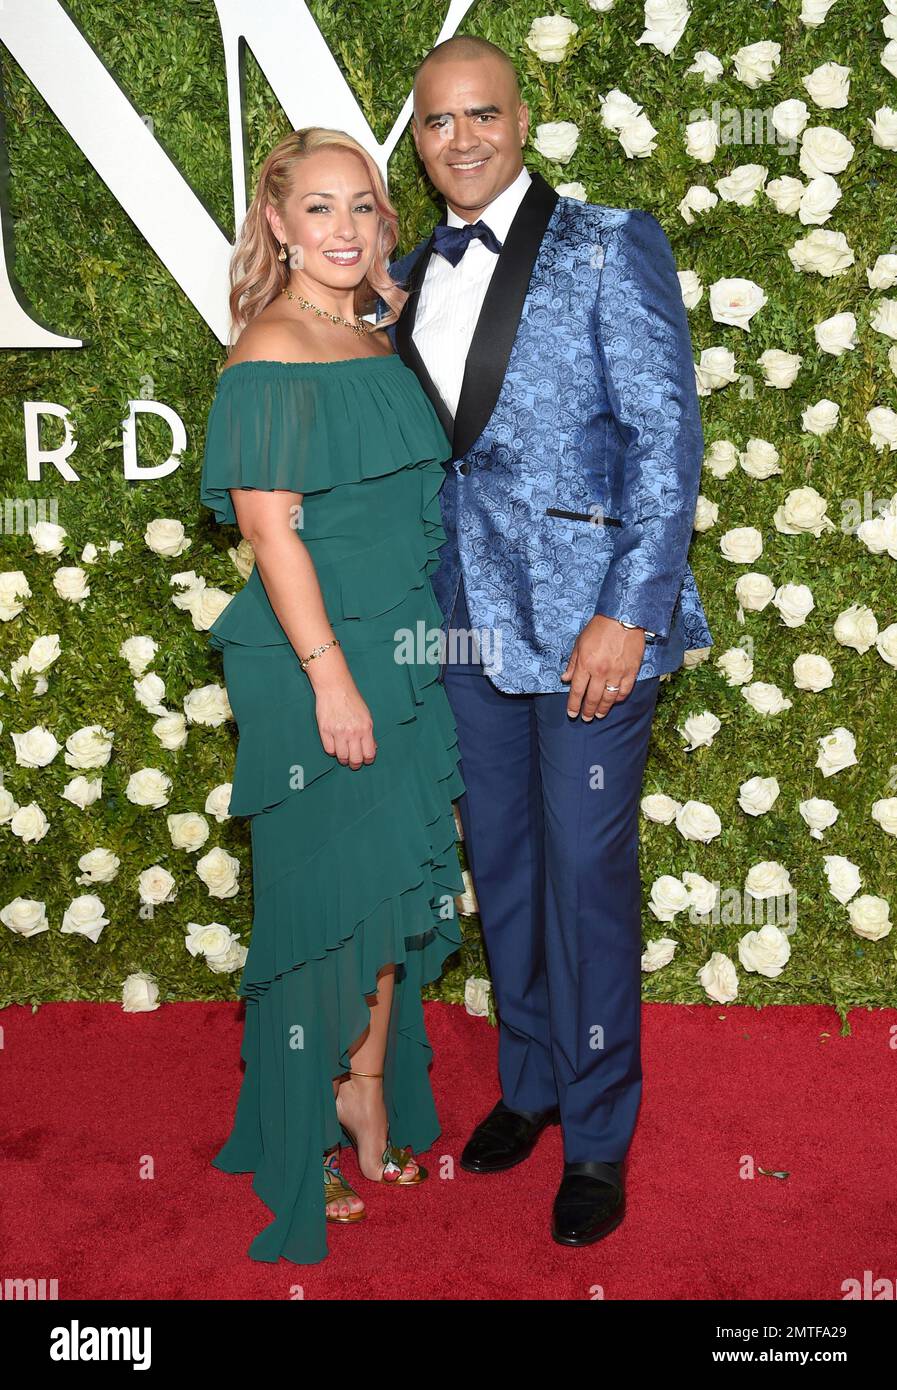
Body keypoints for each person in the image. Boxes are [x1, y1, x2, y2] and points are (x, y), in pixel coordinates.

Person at [377, 36, 713, 1247]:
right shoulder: (409, 271)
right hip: (464, 627)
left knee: (584, 880)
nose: (460, 140)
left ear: (524, 119)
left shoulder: (609, 242)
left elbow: (667, 437)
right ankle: (530, 1084)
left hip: (590, 632)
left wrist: (630, 611)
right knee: (504, 868)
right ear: (414, 143)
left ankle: (601, 1134)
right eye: (434, 123)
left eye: (481, 115)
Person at [200, 127, 466, 1265]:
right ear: (277, 224)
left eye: (362, 206)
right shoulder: (268, 348)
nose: (346, 229)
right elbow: (270, 530)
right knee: (320, 911)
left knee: (389, 889)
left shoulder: (365, 334)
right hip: (319, 661)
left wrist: (390, 323)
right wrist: (332, 681)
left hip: (398, 646)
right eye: (319, 209)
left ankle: (363, 1094)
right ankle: (300, 1129)